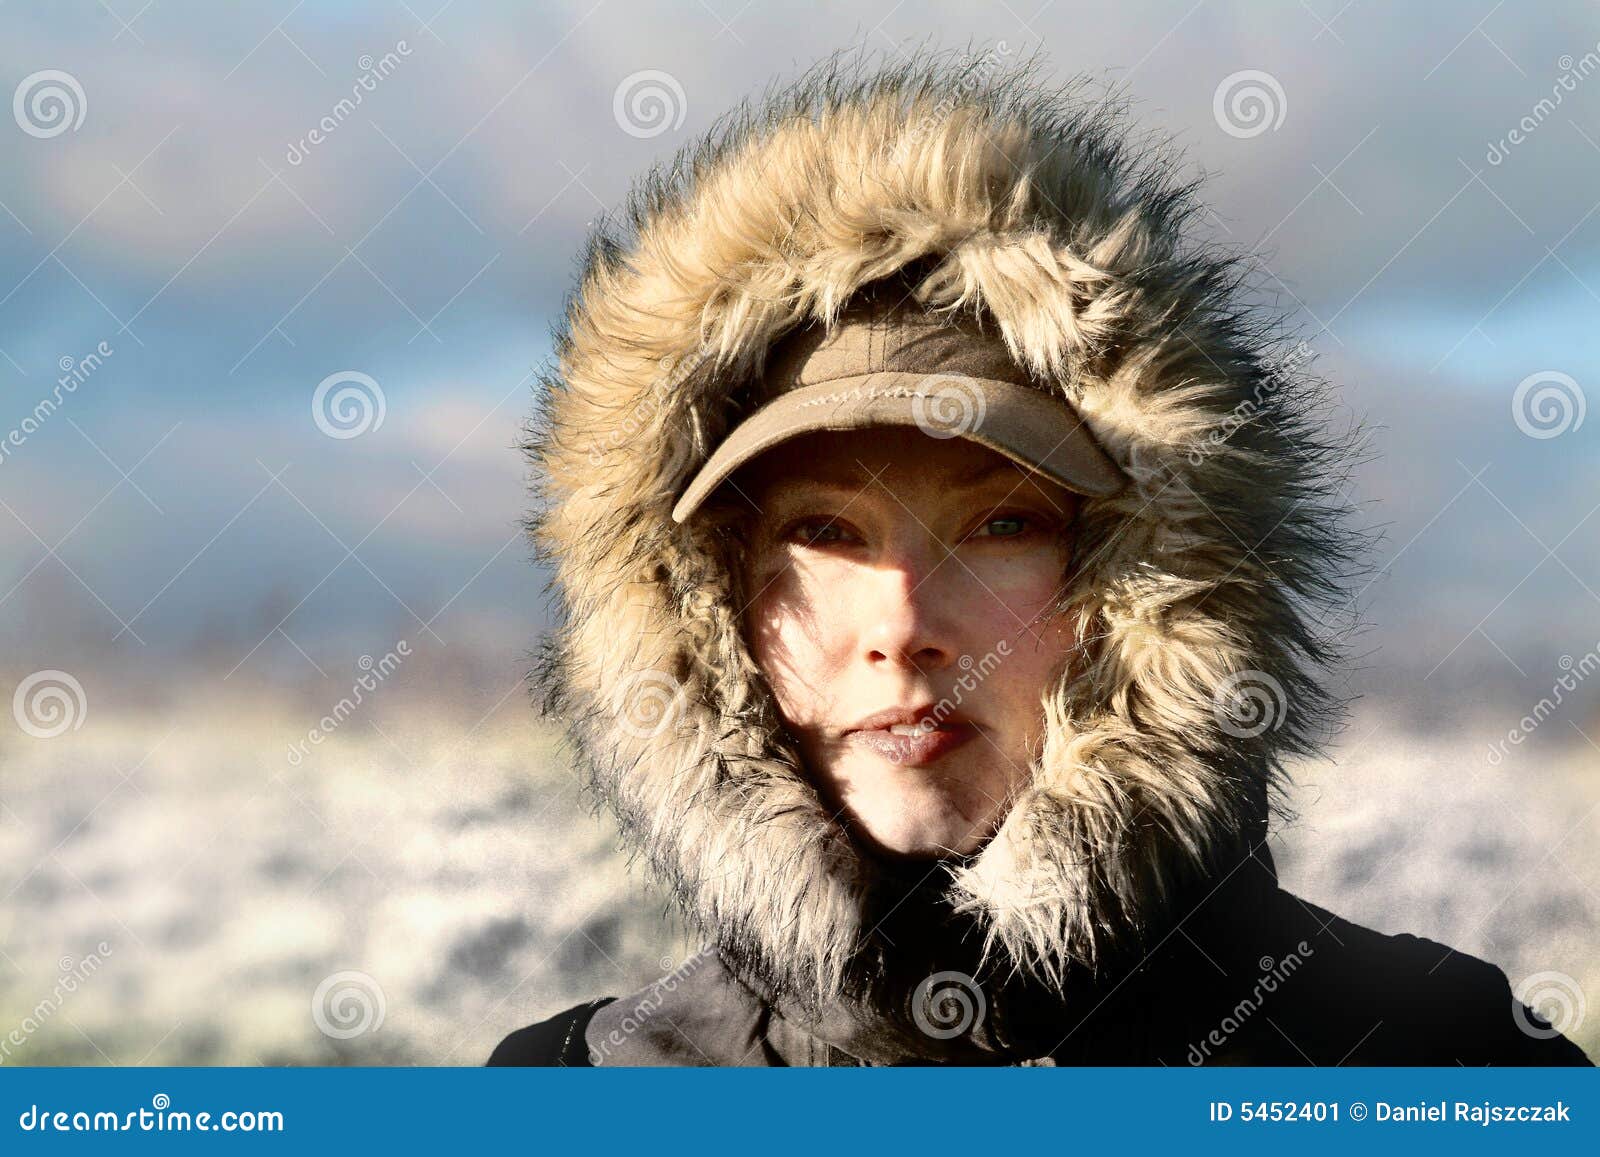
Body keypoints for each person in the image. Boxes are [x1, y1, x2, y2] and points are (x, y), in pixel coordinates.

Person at [487, 51, 1592, 1067]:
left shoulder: (1436, 1059)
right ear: (699, 604)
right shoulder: (565, 1090)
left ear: (1150, 585)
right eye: (823, 532)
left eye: (1001, 523)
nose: (903, 625)